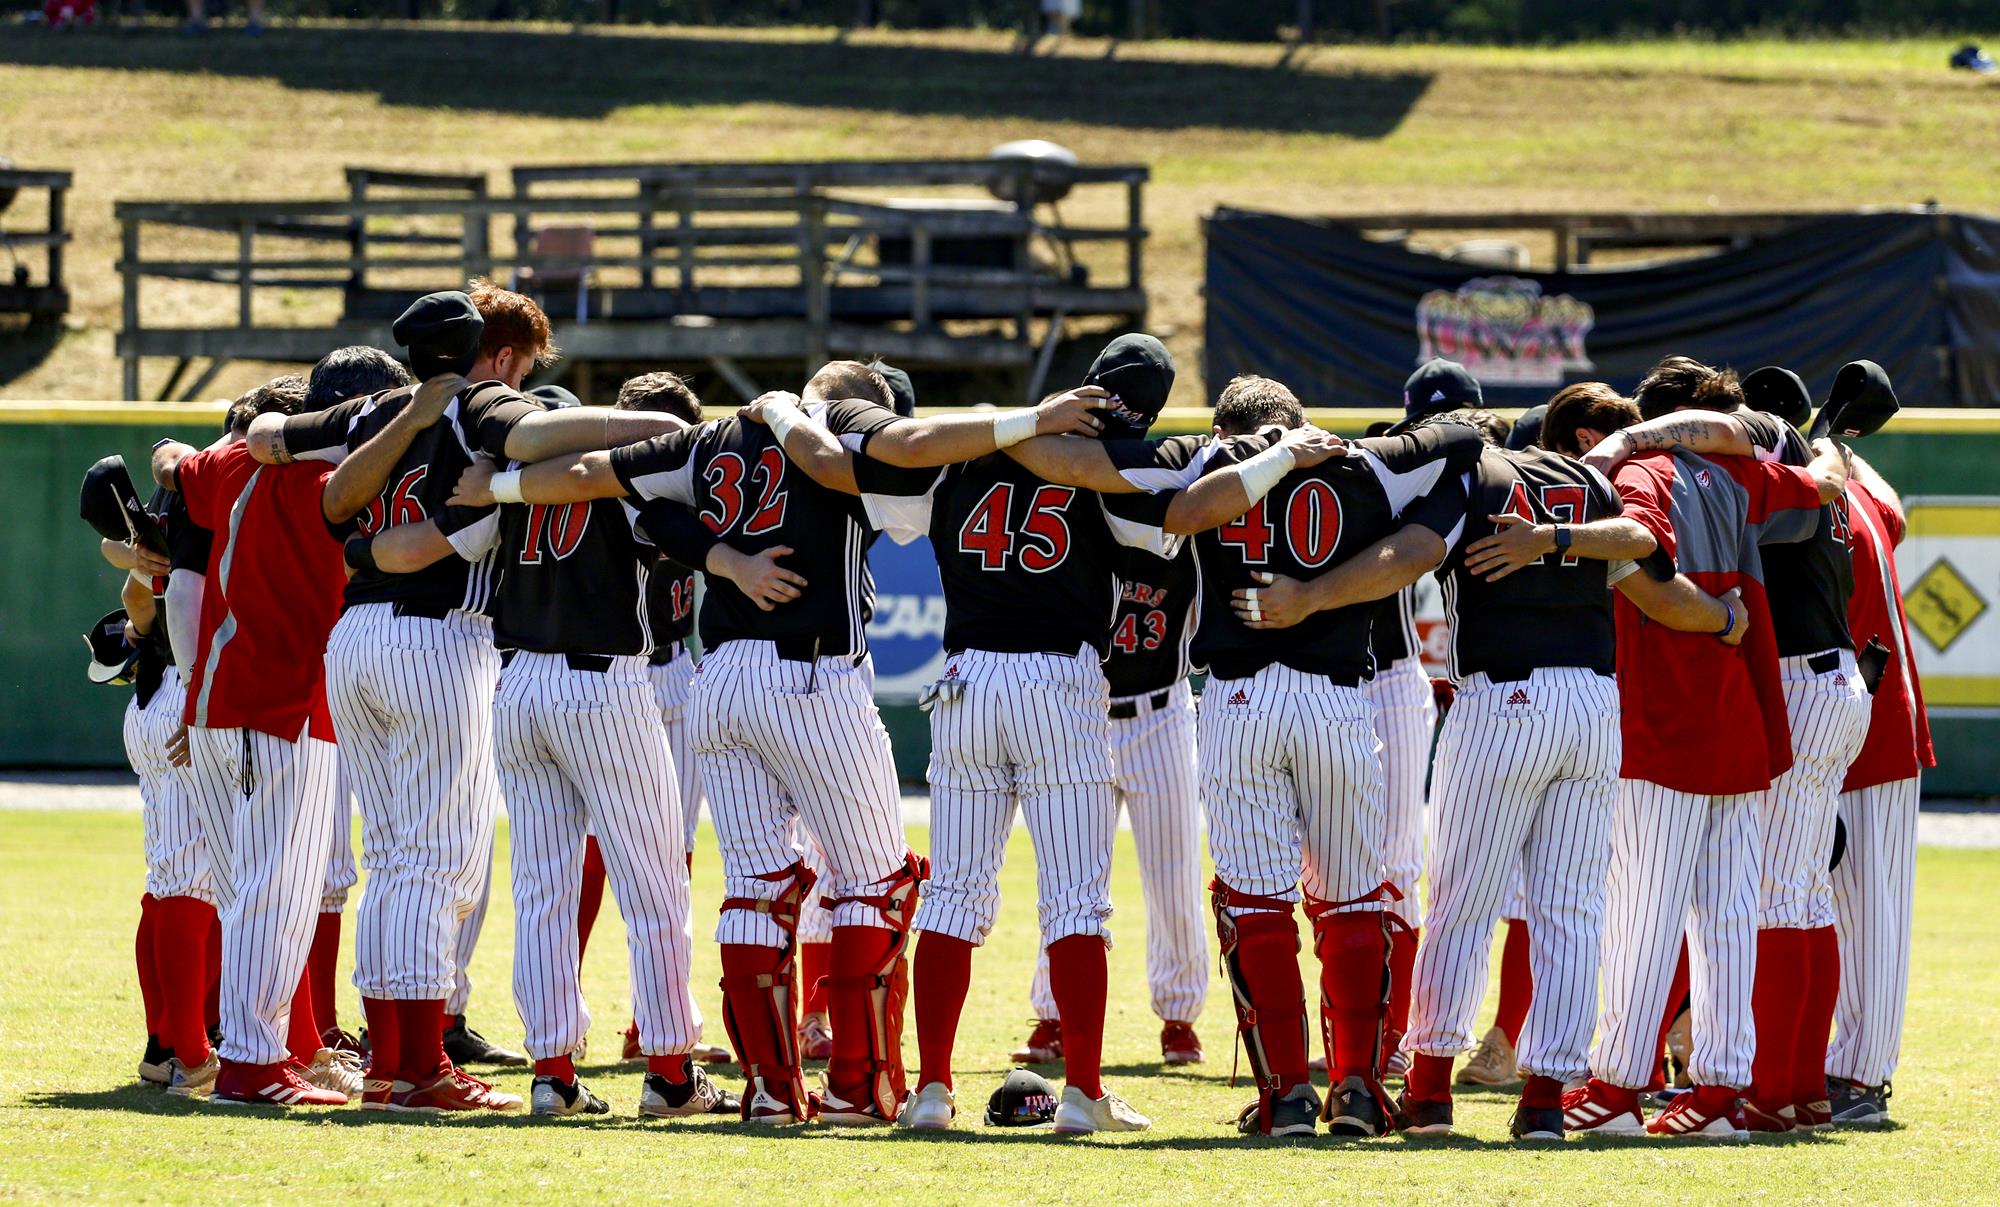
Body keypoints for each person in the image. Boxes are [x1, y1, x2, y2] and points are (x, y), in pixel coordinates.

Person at [450, 360, 1108, 1125]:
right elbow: (916, 439)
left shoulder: (716, 434)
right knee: (875, 881)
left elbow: (600, 474)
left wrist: (498, 491)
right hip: (810, 674)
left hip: (718, 680)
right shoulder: (843, 419)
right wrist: (1030, 416)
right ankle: (859, 1088)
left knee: (756, 888)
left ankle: (769, 1089)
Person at [359, 378, 733, 1120]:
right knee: (655, 883)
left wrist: (495, 486)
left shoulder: (508, 492)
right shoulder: (621, 484)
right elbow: (685, 533)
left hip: (518, 685)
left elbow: (441, 532)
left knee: (543, 891)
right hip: (605, 686)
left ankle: (552, 1071)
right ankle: (668, 1072)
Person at [1552, 363, 1847, 1138]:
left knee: (1643, 914)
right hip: (1741, 717)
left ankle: (1617, 1084)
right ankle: (1719, 1091)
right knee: (1725, 920)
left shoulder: (1644, 468)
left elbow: (1639, 555)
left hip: (1666, 717)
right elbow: (1826, 485)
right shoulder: (1746, 474)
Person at [1387, 396, 1655, 1141]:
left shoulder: (1474, 470)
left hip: (1503, 699)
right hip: (1596, 702)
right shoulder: (1591, 481)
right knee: (1569, 909)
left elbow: (1413, 551)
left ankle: (1432, 1089)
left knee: (1462, 903)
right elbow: (1642, 546)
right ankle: (1543, 1100)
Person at [149, 374, 360, 1107]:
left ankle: (253, 1052)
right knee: (280, 893)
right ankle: (252, 1061)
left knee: (246, 892)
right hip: (289, 707)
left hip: (210, 704)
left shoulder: (233, 462)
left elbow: (170, 457)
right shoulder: (338, 477)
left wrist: (221, 443)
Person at [1014, 535, 1210, 1071]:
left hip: (1162, 715)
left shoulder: (1188, 536)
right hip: (1085, 714)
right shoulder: (1085, 528)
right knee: (1070, 873)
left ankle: (1179, 1017)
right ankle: (1052, 1013)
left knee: (1173, 872)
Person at [1826, 449, 1933, 1125]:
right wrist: (1848, 450)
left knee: (1874, 907)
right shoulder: (1863, 500)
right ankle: (1845, 1064)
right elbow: (1897, 501)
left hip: (1881, 720)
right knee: (1842, 906)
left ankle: (1864, 1076)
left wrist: (1834, 450)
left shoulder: (1815, 505)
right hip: (1846, 713)